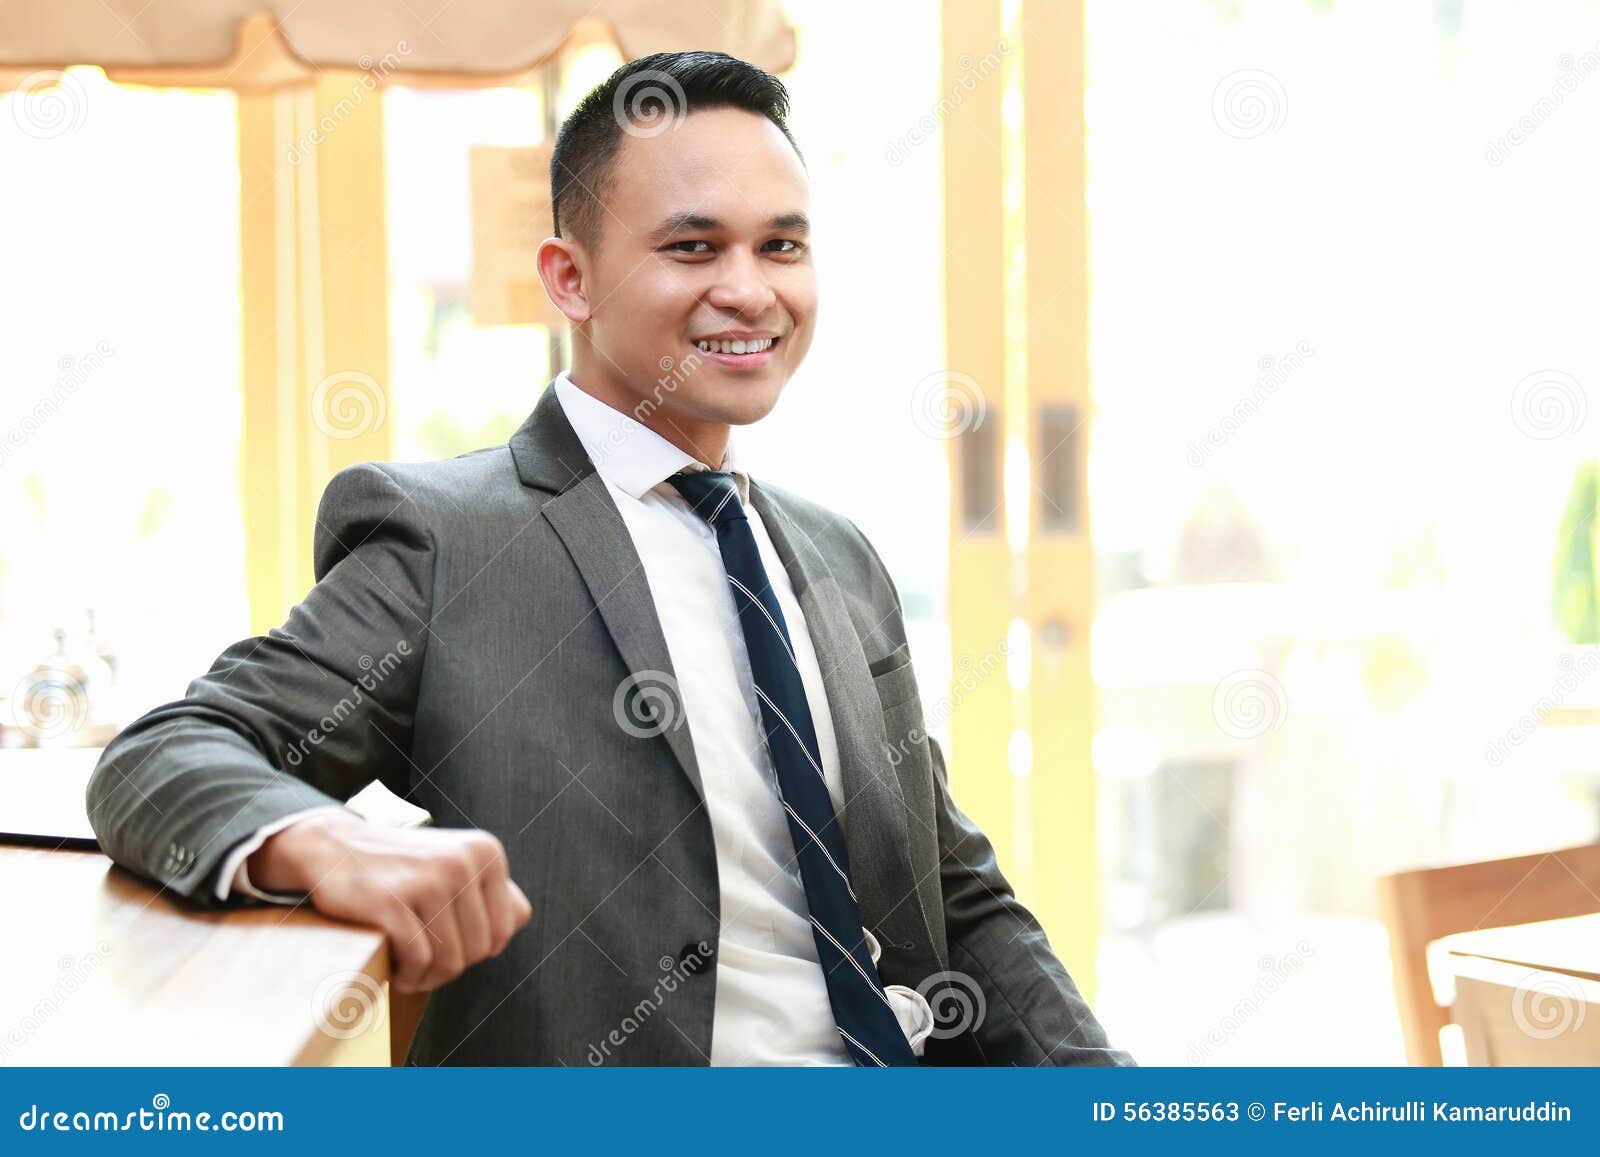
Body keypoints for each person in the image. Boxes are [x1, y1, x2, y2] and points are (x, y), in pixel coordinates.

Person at [87, 50, 1131, 1067]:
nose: (749, 291)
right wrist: (330, 843)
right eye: (692, 248)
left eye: (780, 246)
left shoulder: (836, 555)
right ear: (569, 277)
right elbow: (167, 752)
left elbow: (952, 894)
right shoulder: (445, 538)